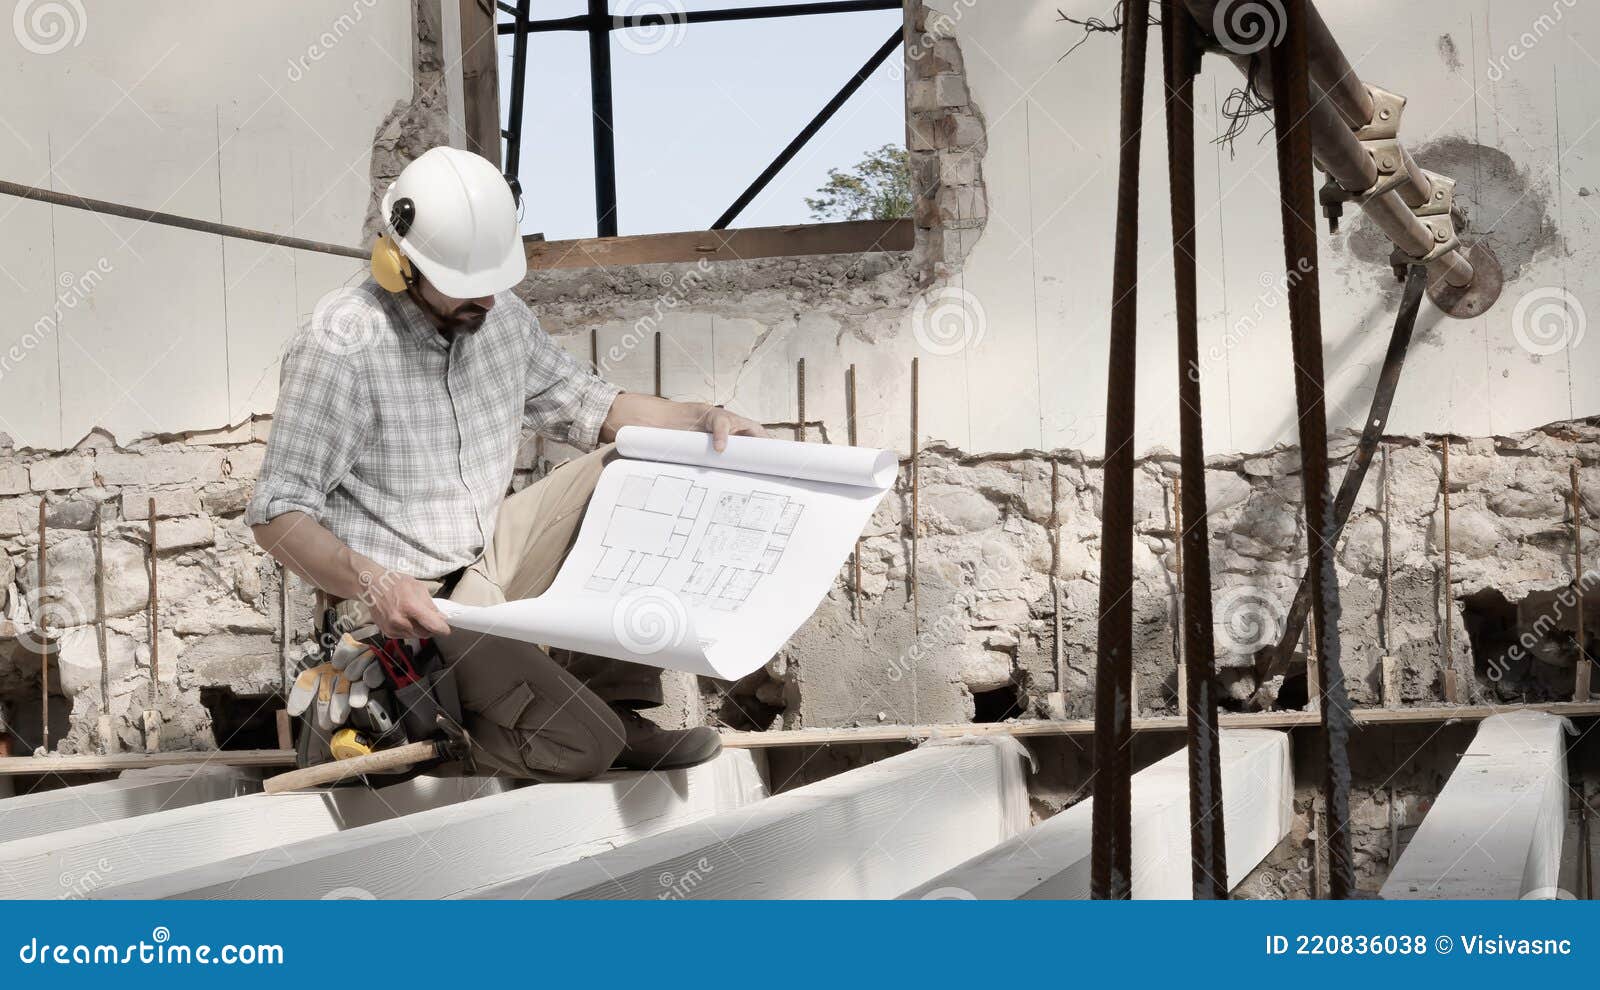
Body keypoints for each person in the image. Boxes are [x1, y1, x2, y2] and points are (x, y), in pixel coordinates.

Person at [246, 146, 764, 780]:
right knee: (583, 748)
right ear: (398, 265)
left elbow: (592, 405)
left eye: (494, 280)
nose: (487, 300)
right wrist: (373, 581)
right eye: (467, 286)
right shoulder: (341, 345)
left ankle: (615, 707)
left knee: (637, 465)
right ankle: (396, 737)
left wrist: (701, 419)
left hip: (486, 565)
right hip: (411, 610)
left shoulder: (501, 318)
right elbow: (276, 514)